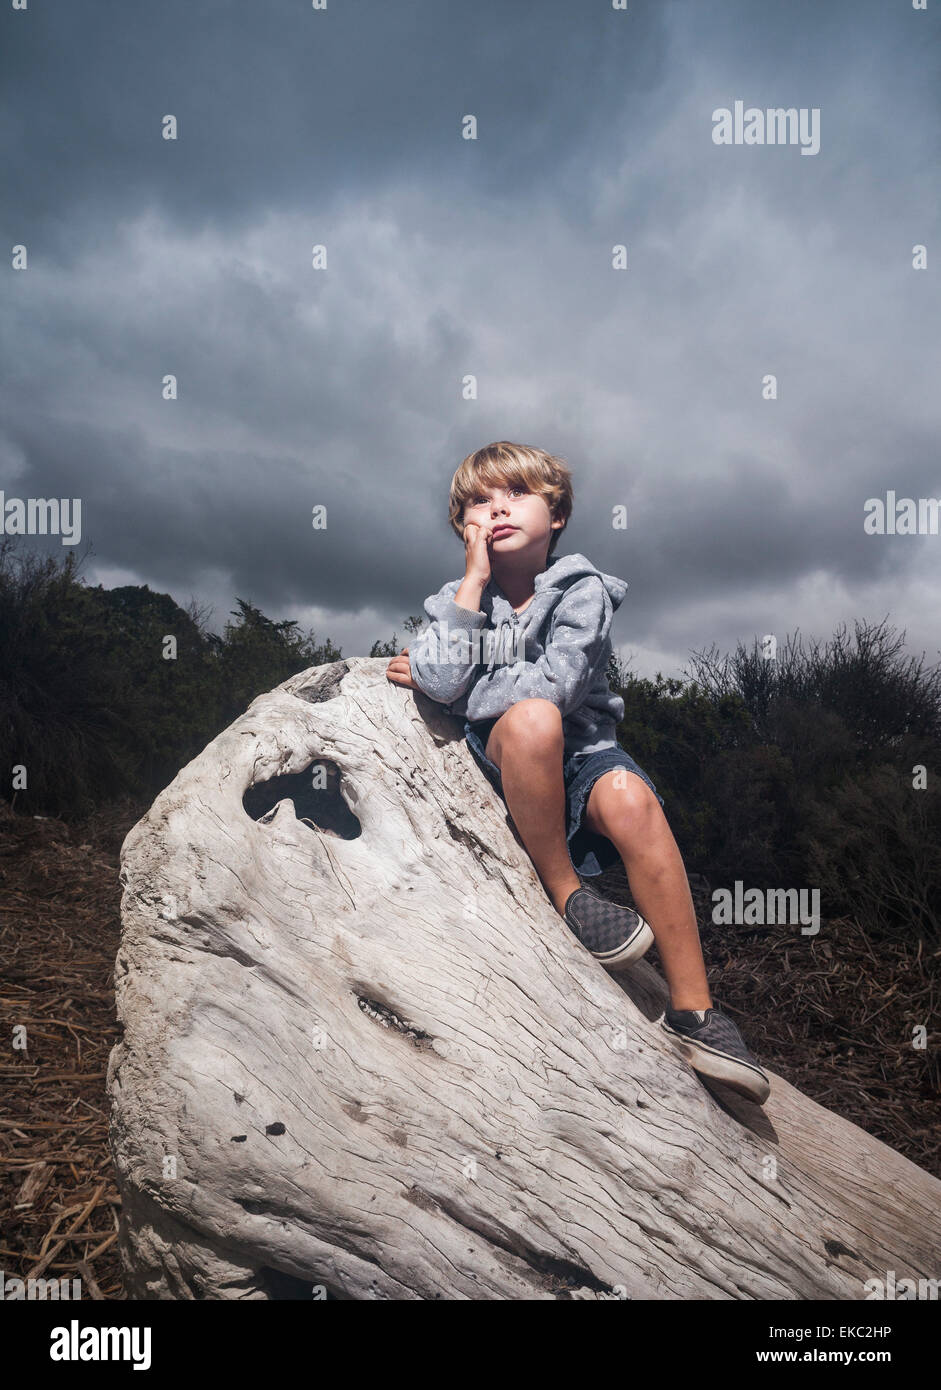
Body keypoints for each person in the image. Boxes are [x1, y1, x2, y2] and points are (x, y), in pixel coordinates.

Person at [386, 441, 770, 1106]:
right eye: (478, 500)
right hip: (499, 754)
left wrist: (445, 683)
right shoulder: (455, 597)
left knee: (629, 800)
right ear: (461, 525)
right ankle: (567, 893)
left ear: (556, 513)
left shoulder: (581, 590)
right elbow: (458, 680)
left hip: (584, 751)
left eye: (517, 494)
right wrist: (471, 589)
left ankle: (695, 1012)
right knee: (529, 721)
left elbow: (555, 685)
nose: (496, 507)